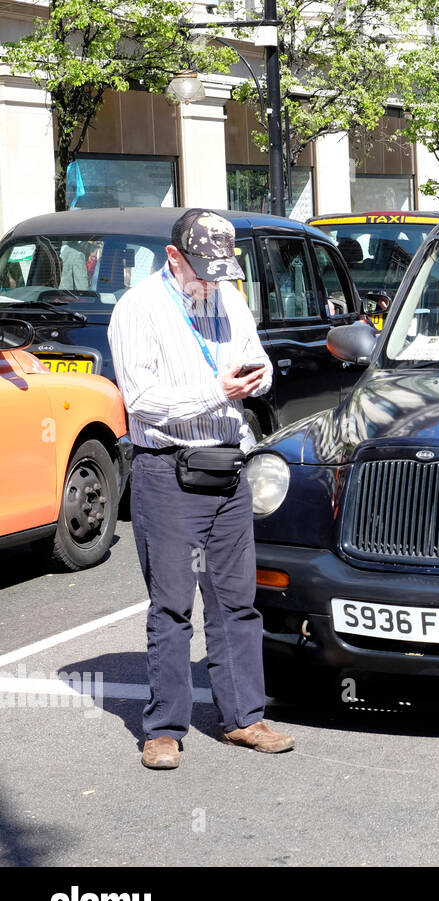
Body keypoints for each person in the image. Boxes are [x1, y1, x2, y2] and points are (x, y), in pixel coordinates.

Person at [107, 209, 295, 770]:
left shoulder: (229, 298)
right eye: (203, 270)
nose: (212, 281)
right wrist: (217, 390)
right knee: (171, 606)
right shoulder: (137, 310)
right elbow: (142, 400)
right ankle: (164, 728)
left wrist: (259, 374)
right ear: (173, 258)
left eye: (221, 269)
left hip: (228, 467)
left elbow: (256, 356)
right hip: (167, 470)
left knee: (236, 602)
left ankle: (245, 717)